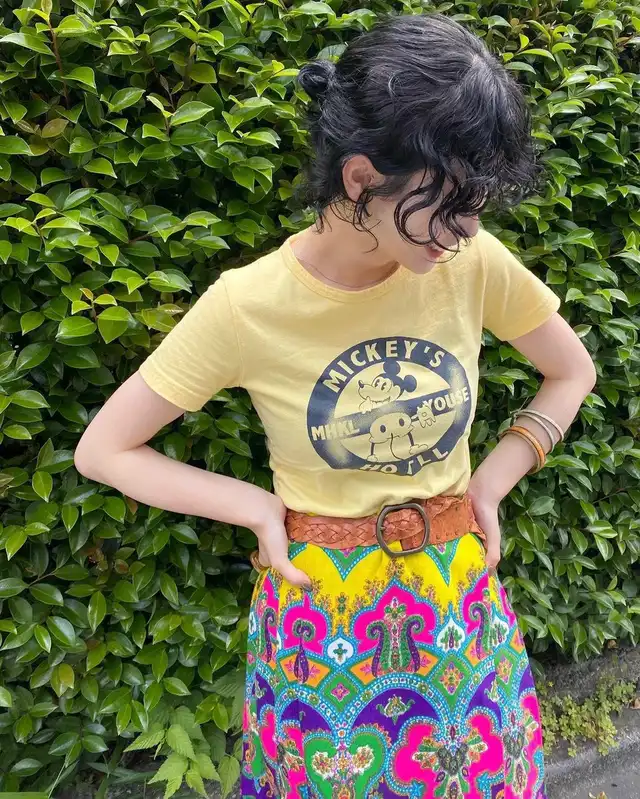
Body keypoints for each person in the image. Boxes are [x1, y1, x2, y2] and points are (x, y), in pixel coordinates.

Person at [75, 13, 596, 799]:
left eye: (478, 204)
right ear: (360, 178)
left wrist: (491, 483)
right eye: (448, 203)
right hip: (321, 623)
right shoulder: (247, 305)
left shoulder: (469, 262)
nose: (465, 231)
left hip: (458, 607)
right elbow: (104, 449)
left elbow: (571, 370)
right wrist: (256, 508)